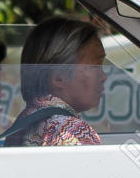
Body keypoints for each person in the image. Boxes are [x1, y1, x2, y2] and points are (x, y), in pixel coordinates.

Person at [8, 16, 107, 146]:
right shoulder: (72, 130)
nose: (103, 76)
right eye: (95, 66)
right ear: (59, 77)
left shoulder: (25, 122)